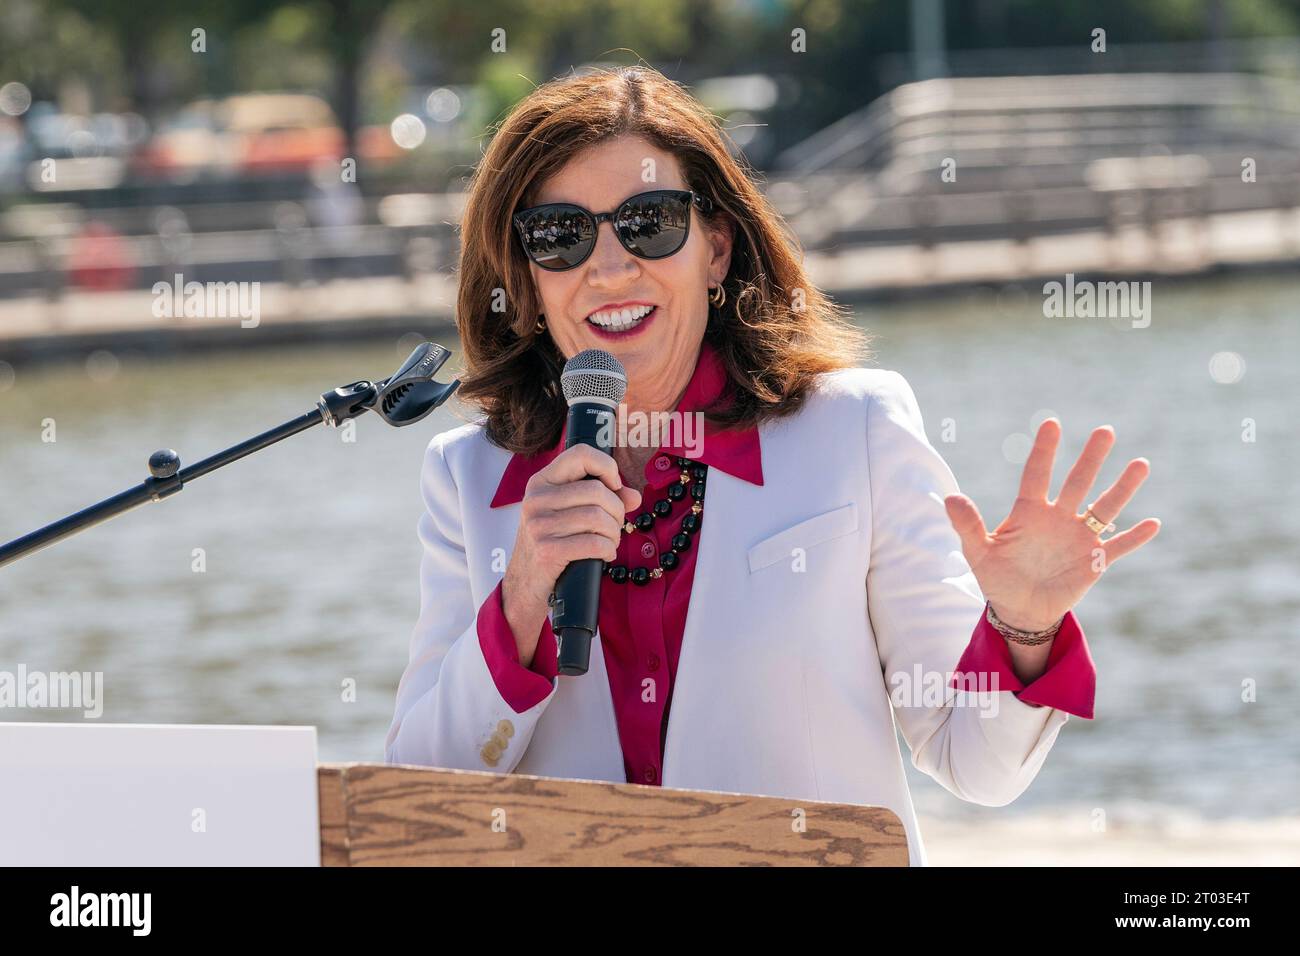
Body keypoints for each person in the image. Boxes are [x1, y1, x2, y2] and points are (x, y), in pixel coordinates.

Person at [384, 66, 1160, 865]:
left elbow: (979, 763)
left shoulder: (853, 430)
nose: (610, 268)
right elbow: (414, 800)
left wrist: (1023, 625)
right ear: (525, 276)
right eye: (560, 234)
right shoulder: (466, 480)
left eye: (649, 223)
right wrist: (518, 602)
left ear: (716, 250)